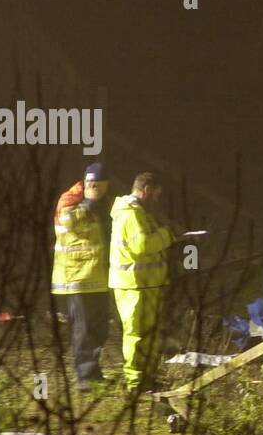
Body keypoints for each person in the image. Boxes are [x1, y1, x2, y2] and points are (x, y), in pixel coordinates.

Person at [109, 172, 175, 393]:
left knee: (149, 334)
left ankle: (147, 377)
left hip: (145, 283)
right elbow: (143, 246)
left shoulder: (140, 213)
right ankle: (136, 382)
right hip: (132, 285)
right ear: (147, 190)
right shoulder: (130, 214)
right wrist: (168, 235)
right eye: (156, 194)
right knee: (136, 334)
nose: (158, 198)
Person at [52, 163, 112, 390]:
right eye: (92, 184)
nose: (96, 188)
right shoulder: (69, 199)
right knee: (83, 328)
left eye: (100, 185)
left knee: (100, 326)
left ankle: (94, 371)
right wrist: (90, 202)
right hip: (77, 276)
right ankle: (84, 376)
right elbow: (69, 222)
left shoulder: (104, 203)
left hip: (98, 276)